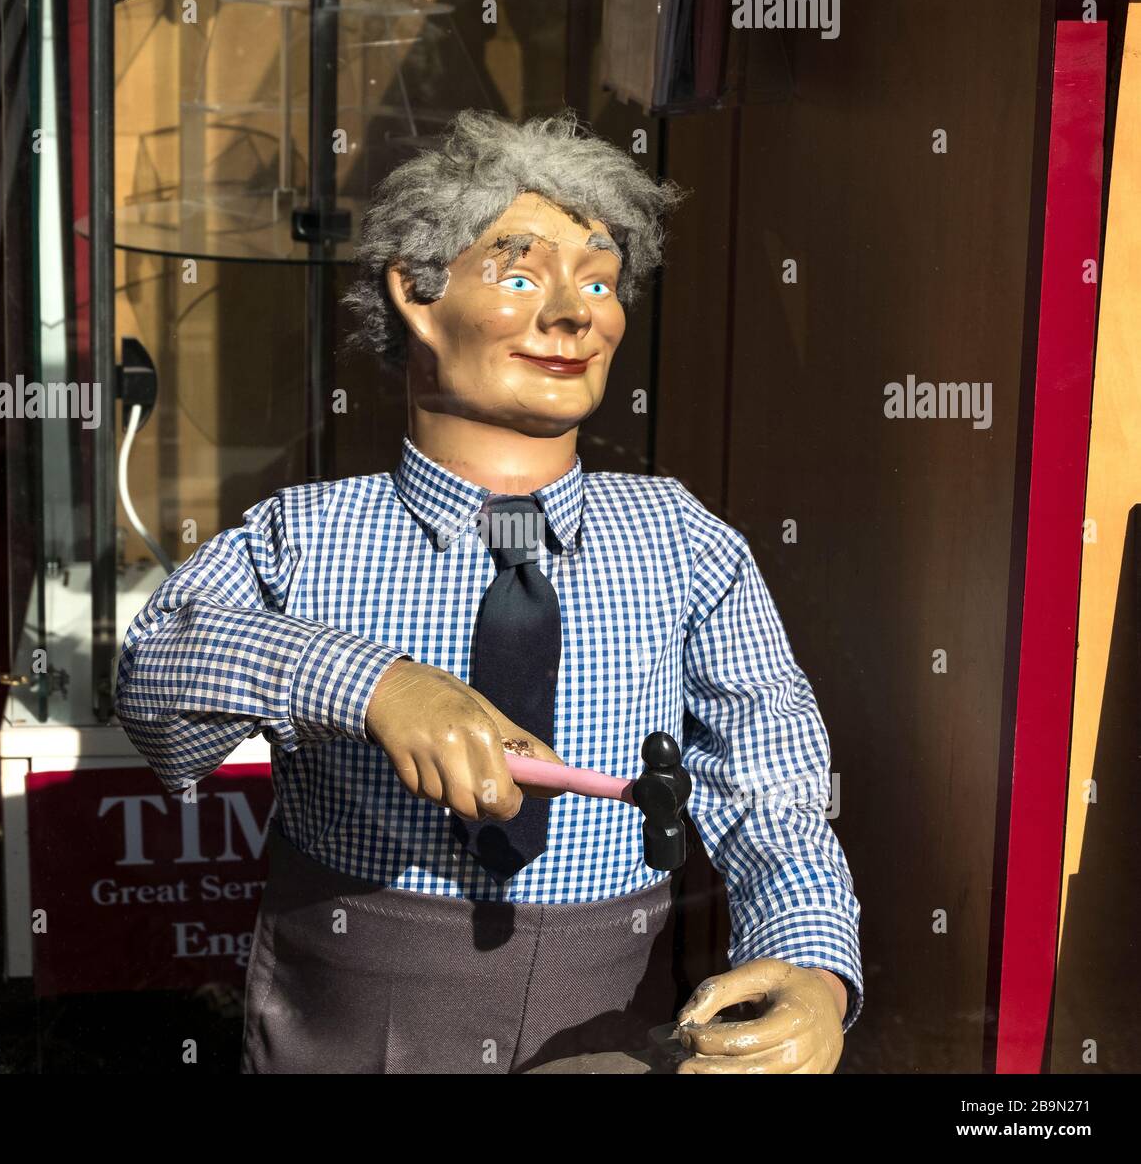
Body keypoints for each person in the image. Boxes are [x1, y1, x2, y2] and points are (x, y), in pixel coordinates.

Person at [116, 108, 862, 1074]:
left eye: (599, 281)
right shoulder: (307, 535)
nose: (575, 314)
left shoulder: (682, 542)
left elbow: (768, 783)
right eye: (520, 276)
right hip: (351, 1017)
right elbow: (156, 695)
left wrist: (808, 963)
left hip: (604, 1024)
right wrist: (371, 684)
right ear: (417, 297)